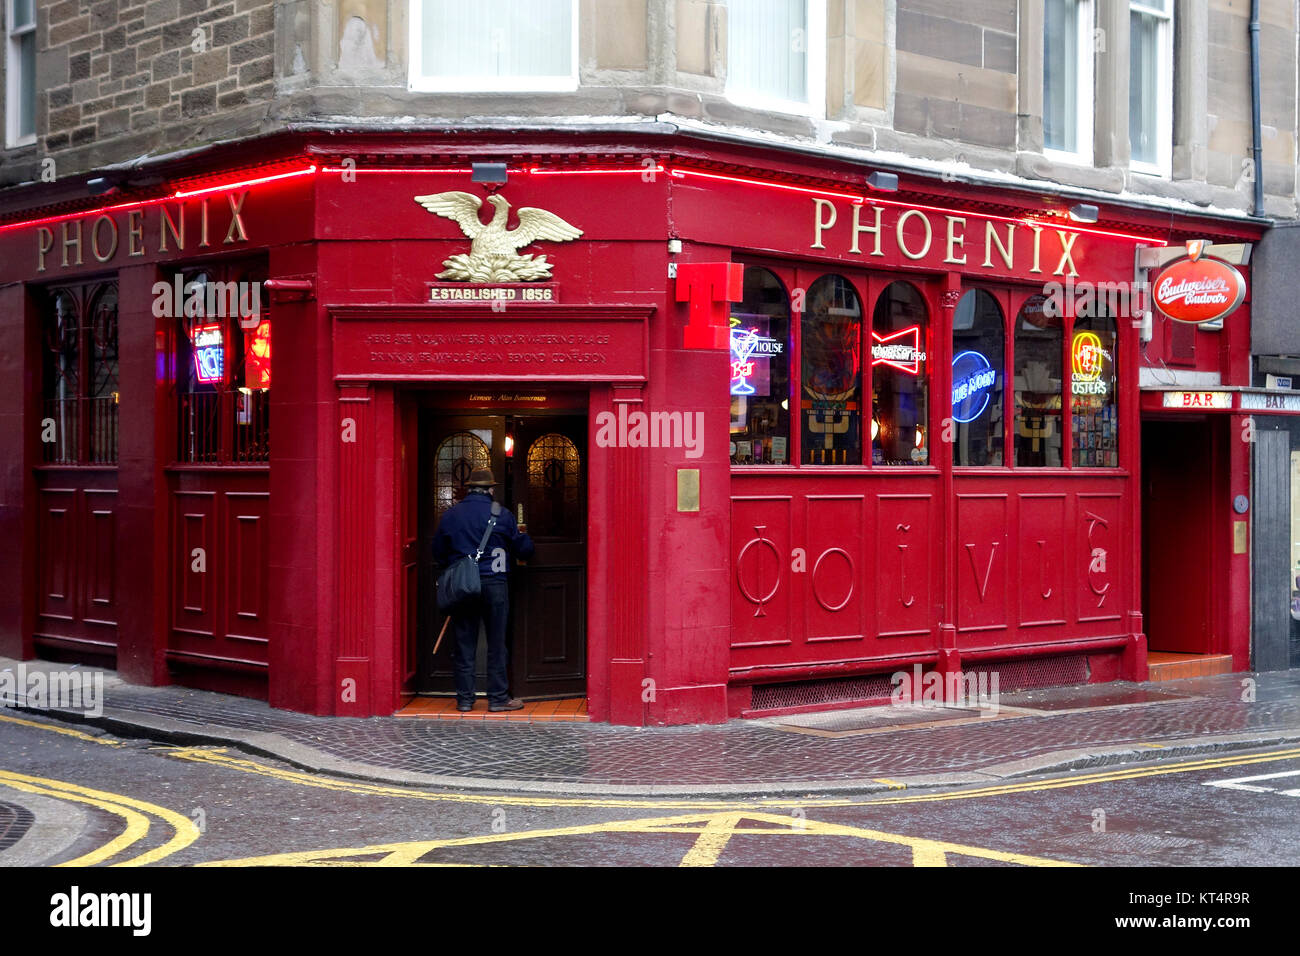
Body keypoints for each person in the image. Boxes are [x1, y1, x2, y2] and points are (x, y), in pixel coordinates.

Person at [432, 467, 535, 712]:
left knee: (464, 643)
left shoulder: (452, 515)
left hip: (463, 586)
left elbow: (438, 552)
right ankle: (498, 698)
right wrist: (523, 535)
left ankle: (465, 700)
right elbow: (524, 550)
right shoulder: (503, 515)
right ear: (490, 489)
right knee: (497, 643)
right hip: (495, 583)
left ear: (467, 489)